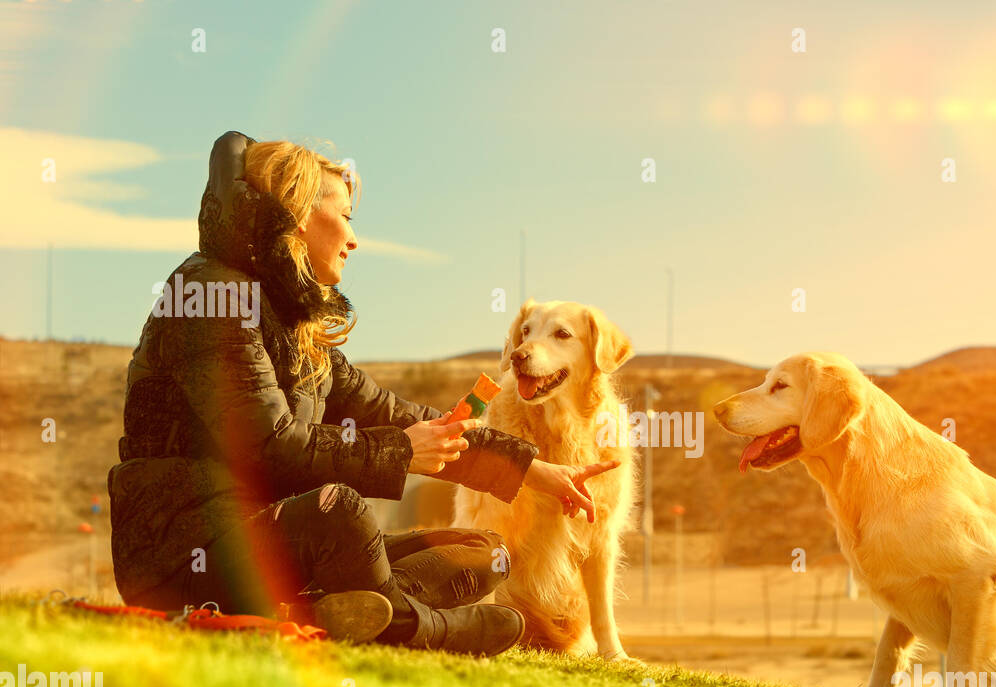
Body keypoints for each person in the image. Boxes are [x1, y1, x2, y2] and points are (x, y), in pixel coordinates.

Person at [107, 131, 616, 655]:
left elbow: (393, 413)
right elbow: (268, 444)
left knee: (481, 551)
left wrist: (535, 471)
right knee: (341, 512)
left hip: (279, 544)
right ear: (297, 215)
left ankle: (324, 610)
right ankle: (413, 626)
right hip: (186, 553)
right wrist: (402, 452)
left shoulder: (297, 322)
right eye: (346, 215)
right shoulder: (210, 293)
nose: (354, 239)